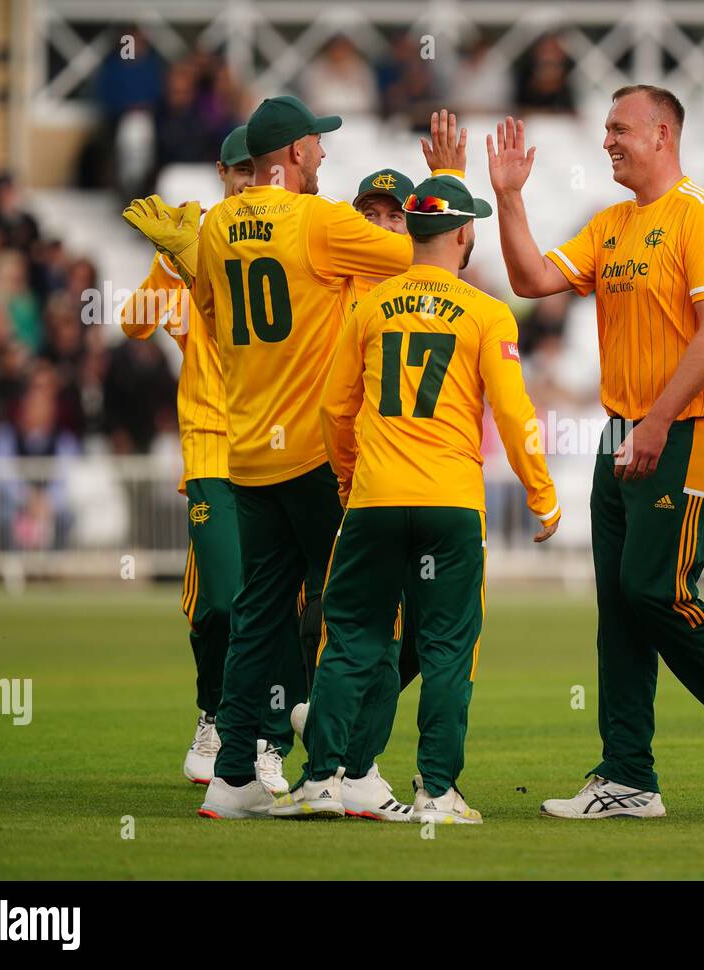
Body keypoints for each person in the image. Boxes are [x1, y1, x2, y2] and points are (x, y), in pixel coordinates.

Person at [126, 96, 462, 819]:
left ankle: (235, 775)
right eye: (318, 145)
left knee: (259, 618)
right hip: (314, 453)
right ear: (294, 155)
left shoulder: (215, 227)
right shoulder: (318, 220)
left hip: (246, 454)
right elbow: (421, 256)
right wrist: (449, 182)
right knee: (362, 612)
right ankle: (348, 772)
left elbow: (210, 323)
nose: (325, 156)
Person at [489, 85, 704, 819]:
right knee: (620, 606)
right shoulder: (613, 225)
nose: (608, 142)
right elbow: (532, 281)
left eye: (620, 129)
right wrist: (508, 198)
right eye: (604, 131)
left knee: (656, 588)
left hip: (685, 429)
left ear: (663, 133)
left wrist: (656, 423)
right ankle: (627, 776)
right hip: (623, 431)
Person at [273, 175, 561, 823]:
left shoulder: (369, 309)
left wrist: (349, 480)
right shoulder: (488, 313)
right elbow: (514, 415)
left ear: (414, 229)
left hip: (375, 501)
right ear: (462, 234)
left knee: (350, 641)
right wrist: (543, 494)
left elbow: (333, 409)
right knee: (447, 651)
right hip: (451, 505)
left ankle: (321, 782)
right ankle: (437, 791)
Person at [121, 125, 293, 788]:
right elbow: (136, 322)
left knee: (282, 601)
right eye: (239, 170)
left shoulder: (281, 239)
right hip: (212, 443)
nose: (249, 181)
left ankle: (263, 737)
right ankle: (214, 717)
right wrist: (169, 262)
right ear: (221, 173)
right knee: (222, 600)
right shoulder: (190, 241)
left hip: (278, 440)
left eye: (260, 169)